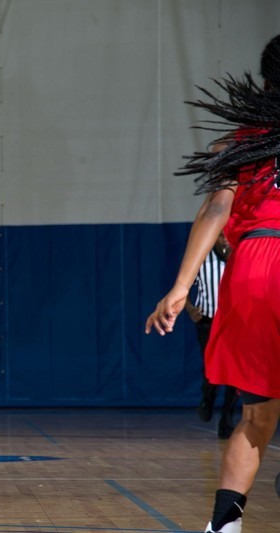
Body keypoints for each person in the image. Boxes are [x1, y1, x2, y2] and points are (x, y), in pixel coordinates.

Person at [145, 34, 280, 533]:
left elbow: (216, 209)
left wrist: (181, 286)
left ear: (267, 82)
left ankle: (224, 526)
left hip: (254, 266)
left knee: (256, 416)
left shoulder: (240, 143)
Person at [183, 231, 238, 439]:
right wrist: (189, 308)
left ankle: (227, 419)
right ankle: (208, 395)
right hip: (207, 320)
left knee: (234, 372)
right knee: (212, 367)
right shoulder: (202, 257)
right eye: (221, 236)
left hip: (235, 322)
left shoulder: (240, 257)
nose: (225, 240)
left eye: (227, 236)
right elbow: (185, 285)